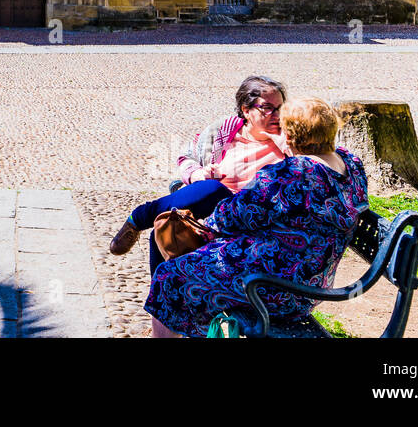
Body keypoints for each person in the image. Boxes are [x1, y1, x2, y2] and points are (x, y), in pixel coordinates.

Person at [144, 96, 368, 337]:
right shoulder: (351, 164)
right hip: (313, 282)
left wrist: (207, 224)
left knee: (168, 276)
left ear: (289, 136)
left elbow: (230, 216)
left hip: (272, 286)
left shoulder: (292, 173)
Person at [109, 76, 288, 275]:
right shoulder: (224, 130)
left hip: (249, 217)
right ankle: (160, 301)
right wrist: (198, 174)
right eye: (267, 108)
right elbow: (186, 157)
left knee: (215, 190)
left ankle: (141, 216)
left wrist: (285, 142)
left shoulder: (290, 139)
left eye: (280, 107)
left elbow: (308, 169)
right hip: (207, 213)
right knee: (165, 226)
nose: (277, 114)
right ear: (246, 110)